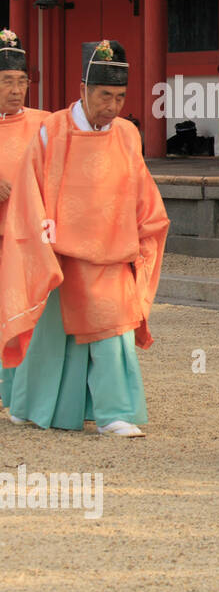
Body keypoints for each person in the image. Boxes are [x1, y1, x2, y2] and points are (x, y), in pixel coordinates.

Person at [0, 39, 168, 436]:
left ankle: (115, 412)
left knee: (113, 329)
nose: (112, 106)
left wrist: (144, 232)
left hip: (112, 248)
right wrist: (42, 243)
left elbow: (141, 190)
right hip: (59, 250)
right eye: (104, 95)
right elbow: (30, 191)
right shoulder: (50, 131)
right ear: (83, 91)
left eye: (120, 96)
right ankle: (32, 403)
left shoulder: (127, 133)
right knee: (51, 337)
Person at [0, 29, 51, 414]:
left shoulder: (46, 123)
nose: (16, 90)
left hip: (31, 236)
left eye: (22, 82)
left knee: (29, 309)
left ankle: (25, 393)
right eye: (7, 81)